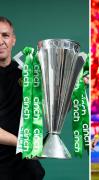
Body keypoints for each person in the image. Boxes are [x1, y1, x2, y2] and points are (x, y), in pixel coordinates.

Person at [0, 16, 45, 179]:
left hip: (28, 171)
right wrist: (23, 144)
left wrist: (71, 87)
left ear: (13, 39)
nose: (0, 41)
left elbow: (46, 110)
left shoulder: (25, 73)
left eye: (5, 35)